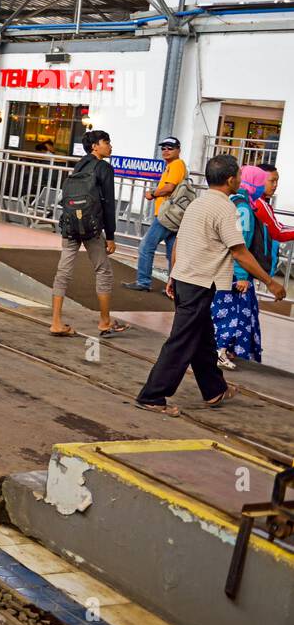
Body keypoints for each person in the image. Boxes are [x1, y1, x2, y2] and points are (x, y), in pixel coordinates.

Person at [137, 155, 287, 416]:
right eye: (239, 176)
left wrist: (173, 275)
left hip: (187, 278)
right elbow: (239, 251)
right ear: (231, 180)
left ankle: (214, 390)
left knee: (204, 338)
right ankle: (152, 395)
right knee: (181, 341)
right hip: (199, 282)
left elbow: (180, 241)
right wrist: (270, 282)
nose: (241, 180)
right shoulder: (225, 208)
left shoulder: (198, 203)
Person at [49, 129, 128, 338]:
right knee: (103, 270)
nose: (110, 146)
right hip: (92, 228)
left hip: (70, 225)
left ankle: (56, 322)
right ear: (95, 146)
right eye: (106, 142)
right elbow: (109, 203)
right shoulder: (103, 167)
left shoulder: (80, 165)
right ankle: (104, 321)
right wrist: (110, 236)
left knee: (63, 272)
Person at [212, 165, 282, 369]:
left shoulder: (236, 202)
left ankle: (225, 351)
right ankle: (222, 351)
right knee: (234, 316)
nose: (265, 187)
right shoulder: (243, 207)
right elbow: (240, 243)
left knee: (232, 314)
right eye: (263, 182)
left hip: (227, 269)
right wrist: (242, 274)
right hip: (236, 273)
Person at [124, 137, 188, 292]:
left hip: (167, 216)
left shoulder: (177, 165)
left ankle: (143, 282)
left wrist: (152, 193)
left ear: (178, 150)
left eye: (170, 148)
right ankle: (174, 287)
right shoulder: (173, 165)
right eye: (164, 148)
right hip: (173, 216)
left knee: (146, 247)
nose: (166, 150)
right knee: (172, 253)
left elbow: (169, 188)